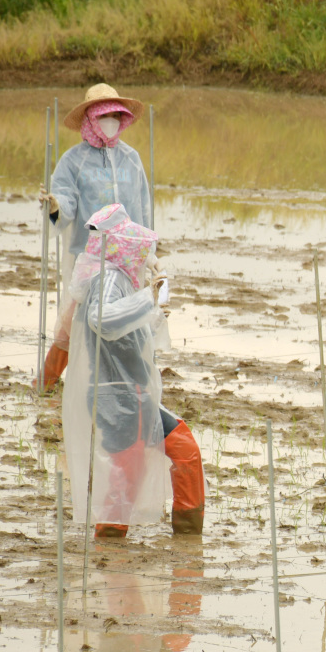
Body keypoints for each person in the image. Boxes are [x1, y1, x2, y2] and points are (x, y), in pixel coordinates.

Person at [63, 204, 204, 537]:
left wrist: (153, 305)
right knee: (129, 473)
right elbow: (102, 319)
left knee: (178, 452)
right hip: (118, 397)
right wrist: (146, 299)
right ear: (118, 244)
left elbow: (133, 333)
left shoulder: (116, 278)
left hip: (131, 393)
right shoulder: (108, 278)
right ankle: (113, 553)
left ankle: (187, 534)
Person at [39, 83, 155, 389]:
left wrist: (149, 253)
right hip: (88, 256)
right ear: (90, 118)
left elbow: (143, 208)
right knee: (76, 321)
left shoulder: (132, 159)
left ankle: (117, 384)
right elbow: (65, 200)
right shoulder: (73, 161)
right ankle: (47, 382)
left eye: (116, 114)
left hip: (127, 258)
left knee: (123, 320)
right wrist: (55, 206)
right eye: (104, 115)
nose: (111, 120)